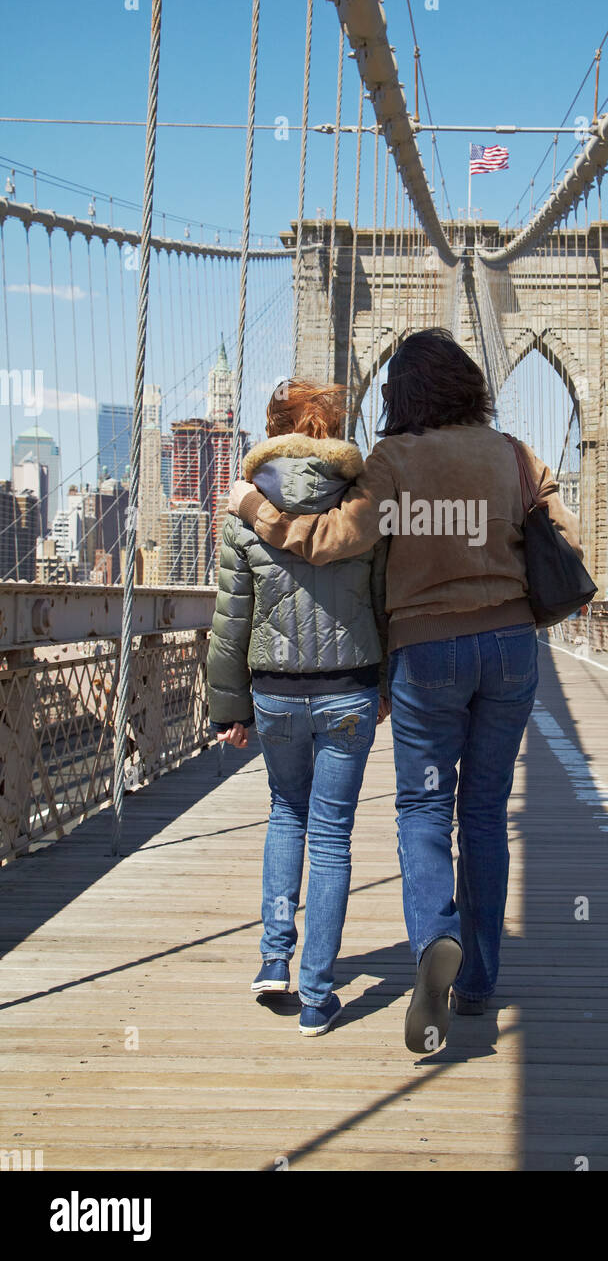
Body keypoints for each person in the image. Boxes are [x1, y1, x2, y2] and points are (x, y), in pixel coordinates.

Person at [227, 328, 582, 1054]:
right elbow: (569, 543)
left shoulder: (393, 462)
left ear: (405, 396)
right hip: (511, 650)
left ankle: (433, 945)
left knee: (424, 807)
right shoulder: (515, 455)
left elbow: (330, 540)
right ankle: (478, 981)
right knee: (484, 812)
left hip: (427, 656)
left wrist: (254, 509)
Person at [207, 378, 389, 1037]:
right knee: (332, 836)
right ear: (333, 430)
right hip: (349, 688)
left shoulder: (244, 509)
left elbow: (230, 623)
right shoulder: (363, 505)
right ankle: (317, 996)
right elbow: (383, 604)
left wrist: (229, 710)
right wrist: (385, 684)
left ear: (273, 429)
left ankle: (273, 959)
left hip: (275, 692)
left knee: (287, 813)